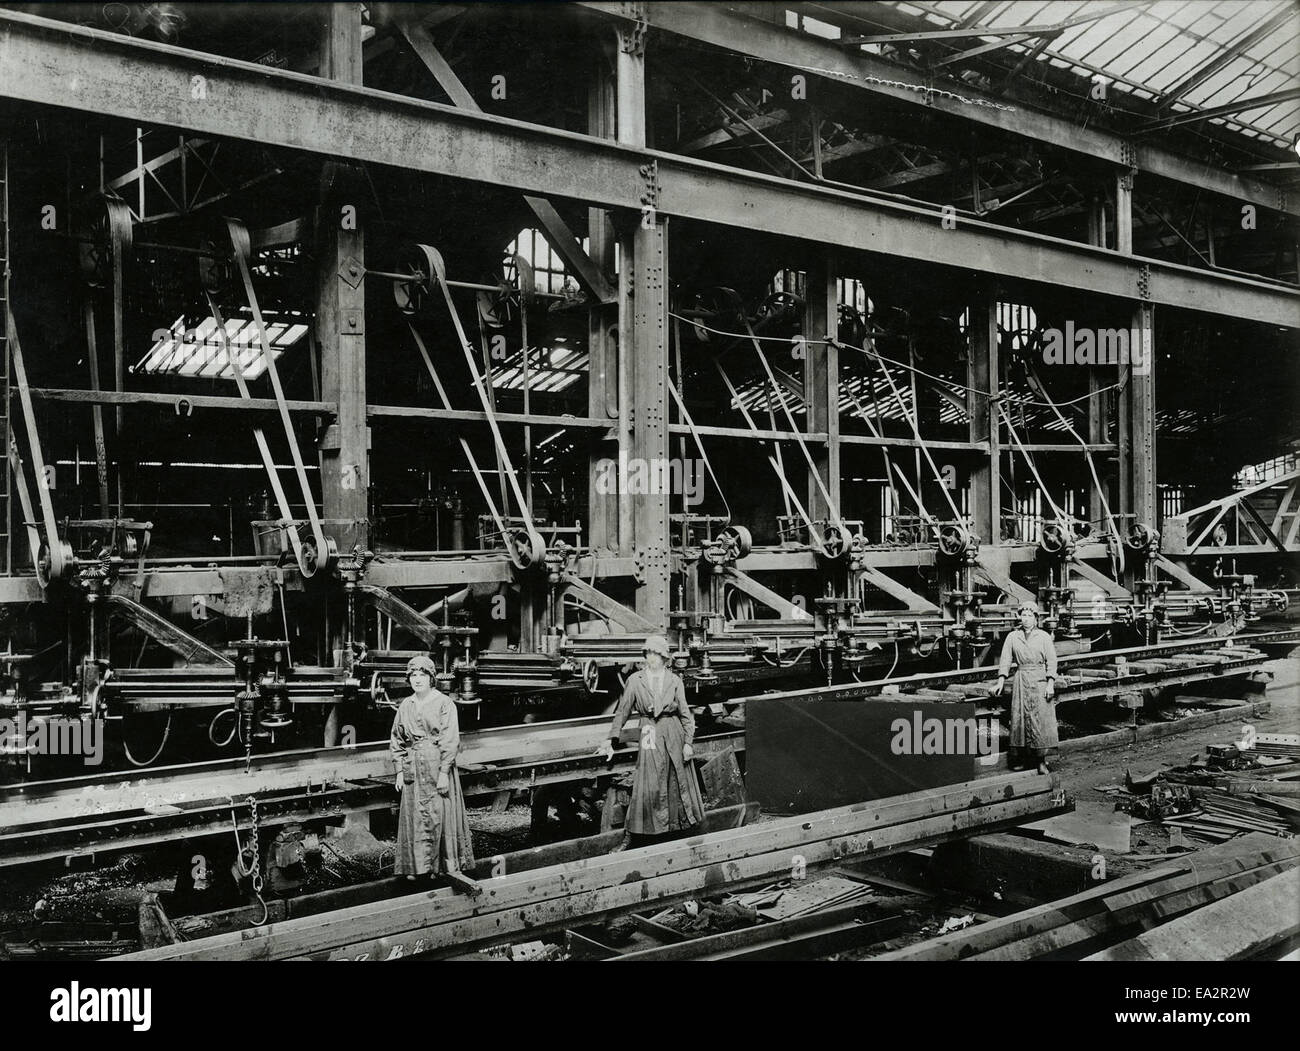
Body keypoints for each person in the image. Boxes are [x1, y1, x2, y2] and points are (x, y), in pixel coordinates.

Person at [604, 635, 706, 849]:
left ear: (663, 657)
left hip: (673, 731)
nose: (650, 657)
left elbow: (686, 714)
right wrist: (611, 738)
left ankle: (677, 833)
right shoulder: (635, 680)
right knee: (648, 783)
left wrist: (688, 742)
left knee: (675, 782)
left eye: (655, 653)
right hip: (649, 731)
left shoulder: (674, 680)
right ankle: (634, 835)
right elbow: (622, 711)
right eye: (648, 653)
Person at [390, 654, 474, 879]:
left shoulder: (444, 703)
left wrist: (444, 773)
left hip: (437, 765)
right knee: (416, 818)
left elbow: (450, 739)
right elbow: (397, 739)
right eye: (413, 676)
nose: (417, 680)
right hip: (414, 766)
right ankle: (417, 868)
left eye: (422, 675)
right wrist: (399, 770)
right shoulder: (405, 705)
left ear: (431, 678)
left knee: (439, 816)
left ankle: (440, 867)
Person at [994, 601, 1059, 774]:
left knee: (1040, 722)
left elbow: (1051, 661)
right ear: (1019, 617)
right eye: (1024, 615)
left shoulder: (1044, 636)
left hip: (1039, 680)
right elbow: (1005, 660)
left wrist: (1050, 683)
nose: (1027, 619)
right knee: (1020, 721)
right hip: (1021, 680)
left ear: (1036, 618)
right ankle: (1021, 759)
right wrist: (1000, 681)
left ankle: (1041, 761)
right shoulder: (1013, 637)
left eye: (1030, 616)